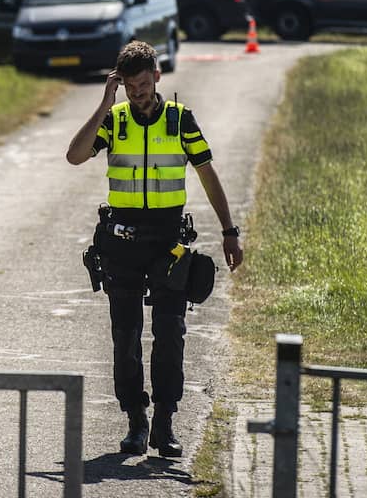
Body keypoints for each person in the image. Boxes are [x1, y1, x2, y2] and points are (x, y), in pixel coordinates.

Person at [66, 40, 244, 458]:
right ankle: (135, 421)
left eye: (143, 84)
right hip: (122, 243)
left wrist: (229, 230)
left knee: (169, 334)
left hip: (168, 244)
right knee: (125, 336)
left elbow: (207, 173)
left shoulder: (181, 120)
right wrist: (105, 102)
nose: (137, 93)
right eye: (129, 86)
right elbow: (74, 156)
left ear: (158, 77)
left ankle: (165, 422)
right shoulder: (115, 119)